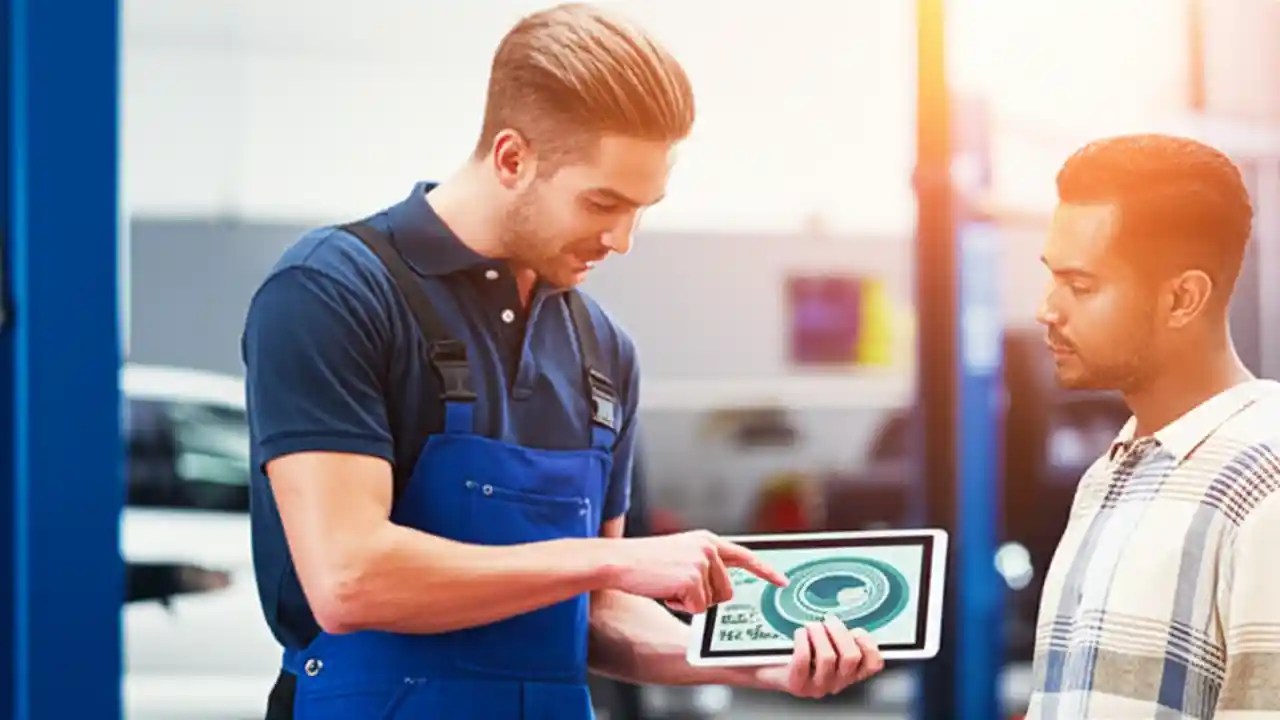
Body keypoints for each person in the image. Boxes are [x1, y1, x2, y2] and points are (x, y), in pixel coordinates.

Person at [241, 4, 884, 718]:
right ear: (513, 158)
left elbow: (597, 615)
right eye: (602, 202)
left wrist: (750, 666)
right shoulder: (333, 293)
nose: (623, 239)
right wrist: (609, 558)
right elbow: (350, 578)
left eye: (644, 207)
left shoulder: (603, 352)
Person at [1028, 133, 1280, 718]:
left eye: (1081, 286)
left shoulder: (1267, 484)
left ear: (1182, 300)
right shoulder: (1108, 475)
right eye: (1053, 277)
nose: (1048, 308)